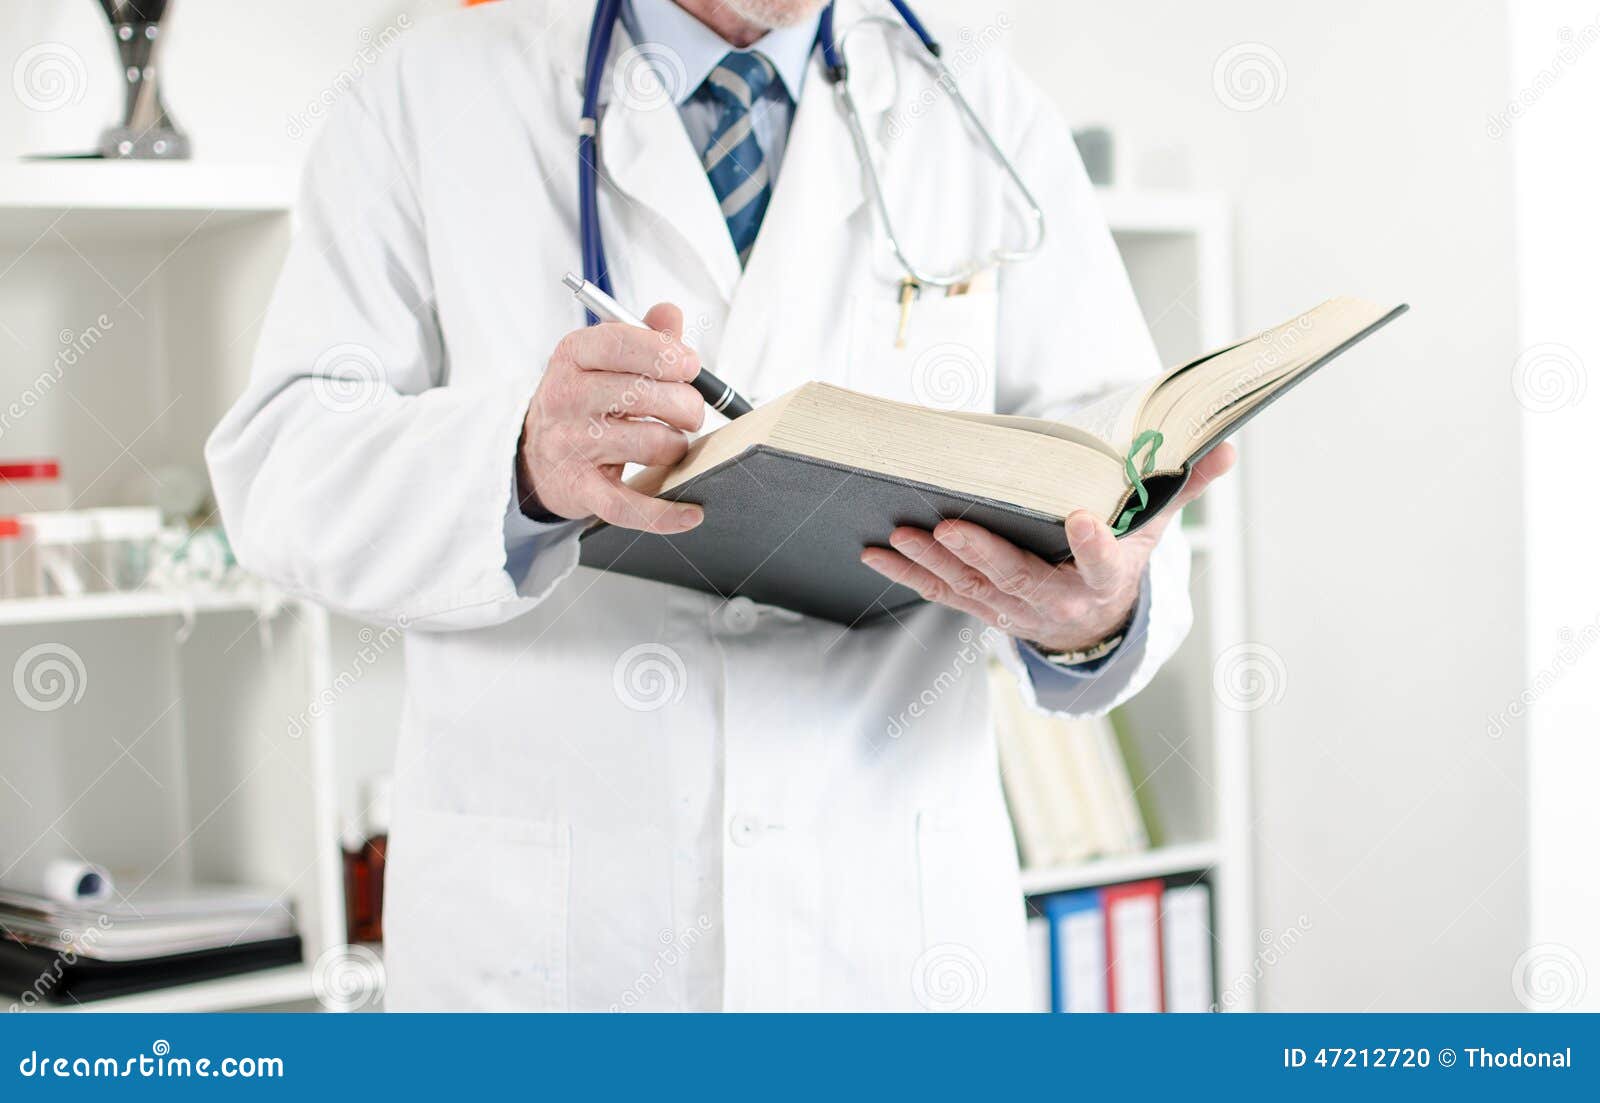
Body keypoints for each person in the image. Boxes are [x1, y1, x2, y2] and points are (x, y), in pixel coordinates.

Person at [206, 0, 1234, 1011]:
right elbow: (282, 466)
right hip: (558, 944)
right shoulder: (426, 90)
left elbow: (1102, 457)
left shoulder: (976, 98)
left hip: (883, 933)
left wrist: (1094, 613)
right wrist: (517, 463)